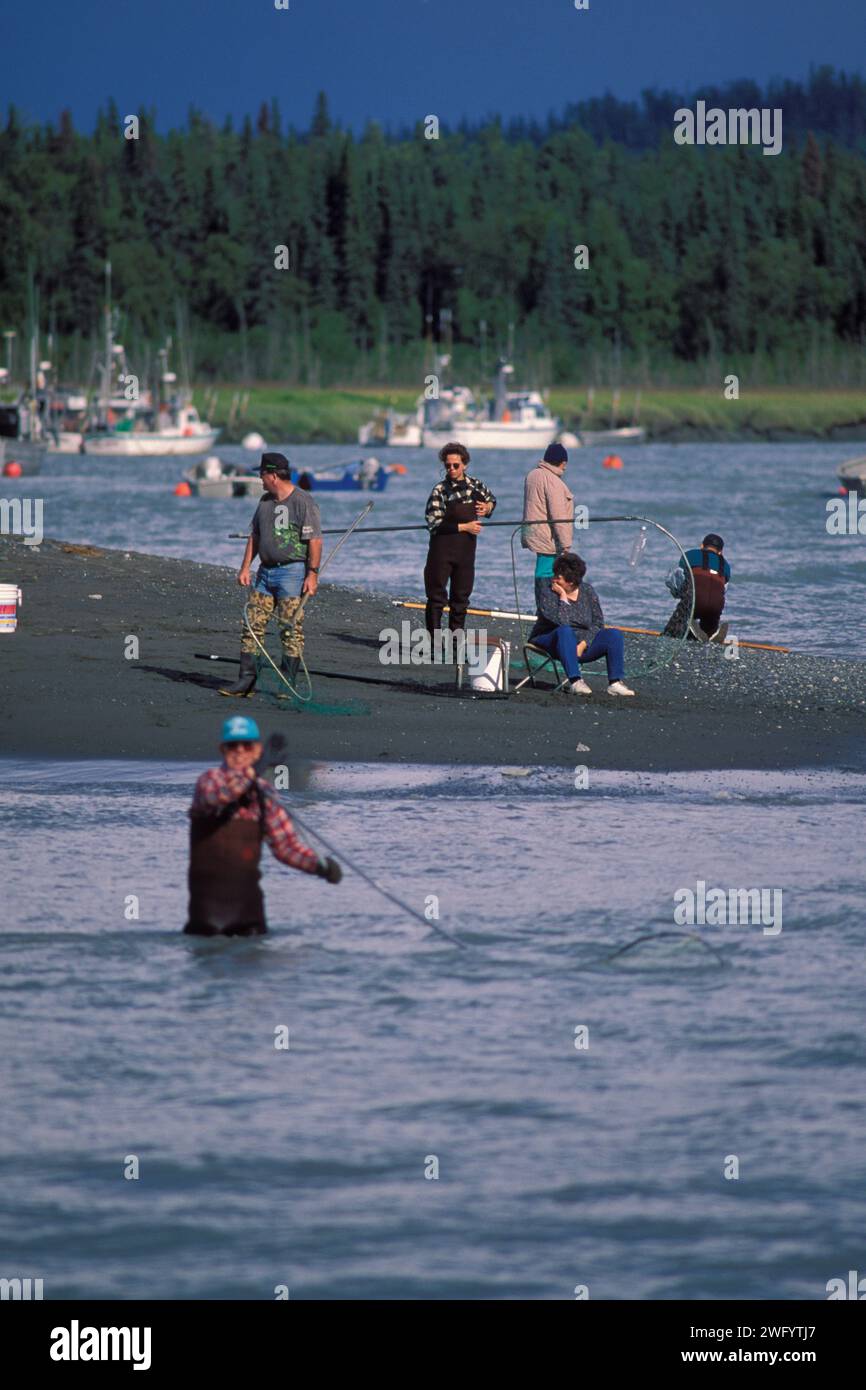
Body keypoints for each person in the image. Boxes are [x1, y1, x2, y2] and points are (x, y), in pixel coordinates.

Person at [184, 716, 341, 937]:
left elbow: (286, 847)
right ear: (222, 749)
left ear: (256, 750)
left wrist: (319, 866)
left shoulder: (266, 793)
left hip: (249, 917)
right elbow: (218, 797)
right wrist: (255, 772)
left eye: (247, 745)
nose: (240, 751)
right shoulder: (209, 781)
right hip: (207, 919)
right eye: (232, 745)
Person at [220, 452, 323, 697]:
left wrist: (312, 574)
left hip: (292, 574)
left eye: (263, 475)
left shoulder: (303, 501)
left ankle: (287, 684)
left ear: (274, 476)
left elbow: (315, 541)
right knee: (252, 625)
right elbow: (255, 536)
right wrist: (245, 567)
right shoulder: (265, 502)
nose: (260, 479)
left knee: (290, 629)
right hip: (264, 574)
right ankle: (246, 682)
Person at [529, 551, 635, 697]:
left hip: (581, 644)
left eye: (558, 578)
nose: (554, 579)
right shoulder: (547, 591)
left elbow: (598, 623)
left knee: (614, 634)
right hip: (551, 638)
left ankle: (615, 683)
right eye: (554, 575)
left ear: (571, 582)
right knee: (565, 631)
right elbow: (561, 622)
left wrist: (583, 644)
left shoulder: (587, 591)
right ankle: (575, 681)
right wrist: (563, 597)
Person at [423, 442, 496, 642]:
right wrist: (465, 527)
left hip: (466, 554)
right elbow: (434, 524)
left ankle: (456, 644)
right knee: (436, 599)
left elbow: (492, 499)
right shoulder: (439, 490)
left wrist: (488, 507)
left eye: (456, 465)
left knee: (461, 600)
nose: (451, 469)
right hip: (441, 552)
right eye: (448, 466)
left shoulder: (475, 485)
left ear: (465, 465)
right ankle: (434, 644)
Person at [522, 443, 575, 607]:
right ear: (562, 462)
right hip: (548, 537)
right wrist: (566, 544)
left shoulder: (533, 475)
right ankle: (546, 608)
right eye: (565, 464)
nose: (565, 467)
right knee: (547, 571)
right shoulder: (553, 481)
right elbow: (558, 515)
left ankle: (543, 606)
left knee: (543, 568)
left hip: (533, 532)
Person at [663, 533, 731, 642]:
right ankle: (710, 635)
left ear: (702, 546)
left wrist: (677, 593)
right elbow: (724, 589)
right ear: (720, 552)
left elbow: (679, 577)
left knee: (674, 630)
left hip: (694, 601)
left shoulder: (690, 555)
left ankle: (686, 631)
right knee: (708, 629)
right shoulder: (726, 566)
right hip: (716, 606)